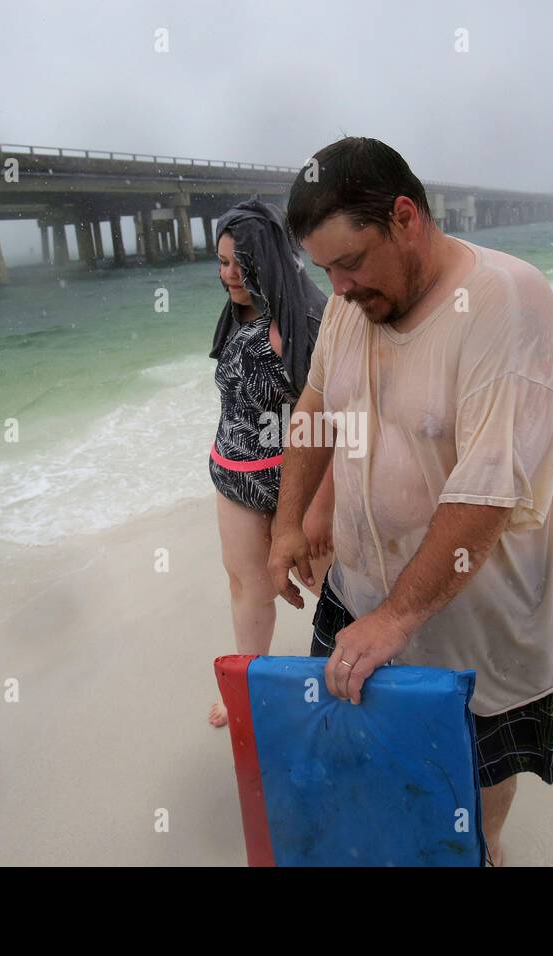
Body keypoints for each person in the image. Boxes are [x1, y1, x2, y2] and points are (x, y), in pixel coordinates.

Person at [267, 138, 553, 866]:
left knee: (473, 788)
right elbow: (318, 408)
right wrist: (290, 523)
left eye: (350, 263)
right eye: (325, 271)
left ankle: (484, 850)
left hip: (481, 619)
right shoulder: (356, 304)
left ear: (405, 217)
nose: (340, 288)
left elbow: (487, 491)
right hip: (358, 593)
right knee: (361, 757)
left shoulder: (506, 305)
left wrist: (400, 616)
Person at [207, 198, 334, 728]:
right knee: (247, 586)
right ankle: (249, 690)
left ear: (270, 258)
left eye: (241, 262)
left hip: (297, 482)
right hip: (233, 475)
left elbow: (331, 419)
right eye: (221, 262)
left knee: (330, 589)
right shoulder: (239, 308)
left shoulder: (310, 317)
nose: (229, 274)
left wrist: (317, 507)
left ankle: (341, 686)